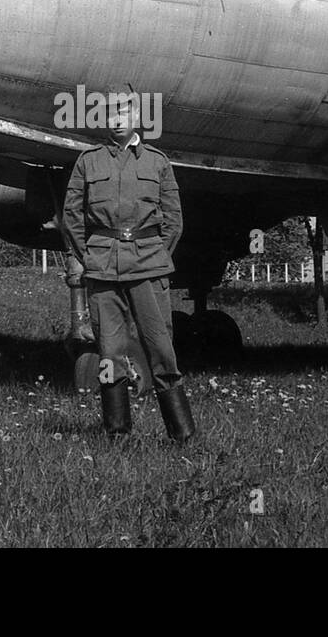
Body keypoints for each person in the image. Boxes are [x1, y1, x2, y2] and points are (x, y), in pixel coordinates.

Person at [62, 83, 195, 443]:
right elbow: (71, 215)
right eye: (110, 114)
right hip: (103, 267)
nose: (116, 120)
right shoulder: (88, 161)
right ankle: (117, 435)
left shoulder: (158, 162)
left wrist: (154, 252)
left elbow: (173, 219)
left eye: (123, 113)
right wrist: (88, 255)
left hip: (149, 268)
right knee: (109, 352)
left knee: (161, 349)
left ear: (137, 117)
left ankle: (182, 437)